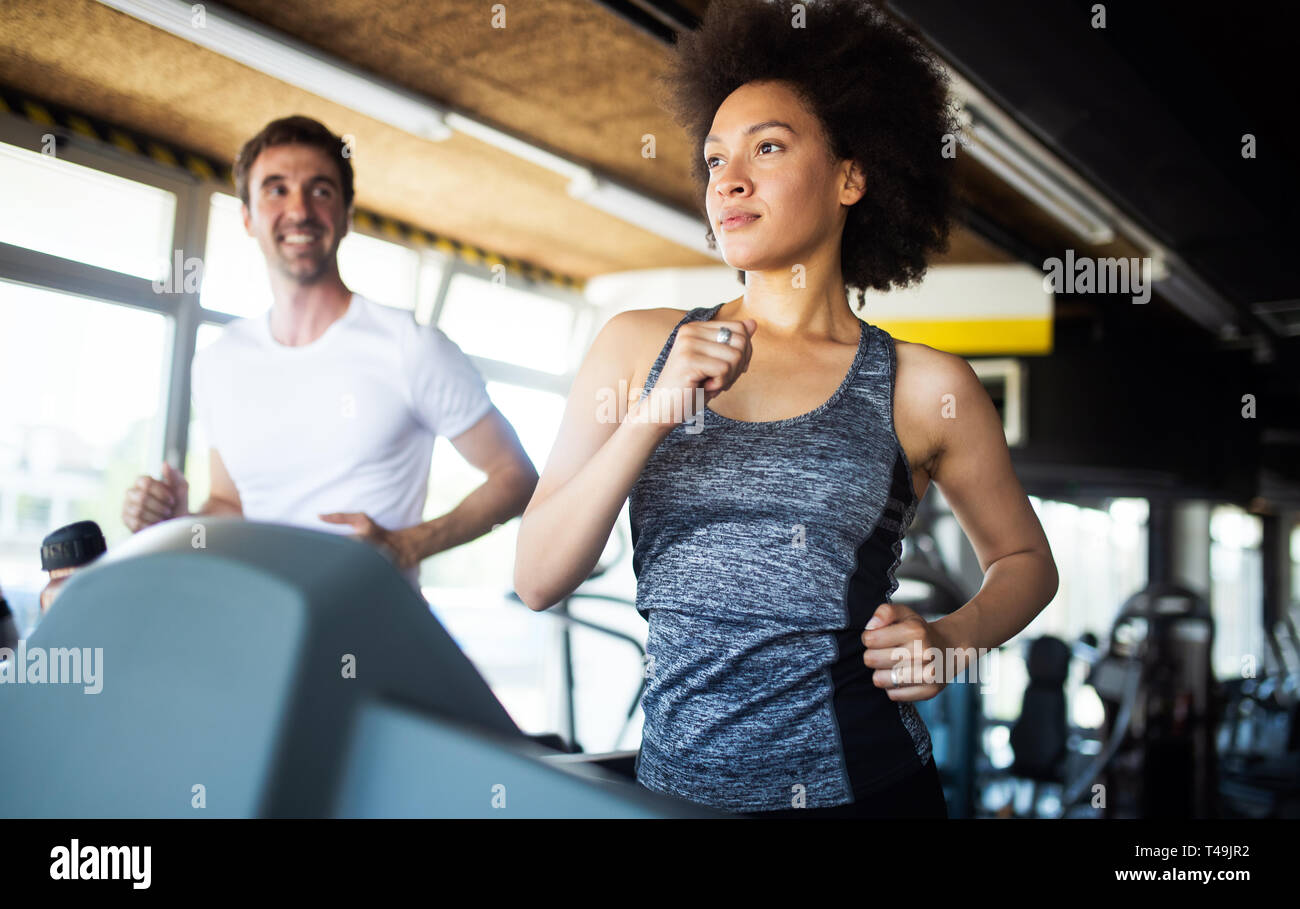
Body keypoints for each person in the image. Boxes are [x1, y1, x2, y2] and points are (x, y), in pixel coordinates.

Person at [513, 0, 1058, 817]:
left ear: (850, 175)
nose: (728, 179)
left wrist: (952, 640)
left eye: (768, 148)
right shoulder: (637, 348)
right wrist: (654, 412)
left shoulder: (923, 384)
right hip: (678, 796)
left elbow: (1026, 563)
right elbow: (537, 577)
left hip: (869, 792)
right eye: (715, 158)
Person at [122, 116, 538, 590]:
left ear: (346, 214)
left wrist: (407, 545)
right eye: (276, 190)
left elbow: (516, 477)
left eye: (320, 191)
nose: (299, 210)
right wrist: (181, 521)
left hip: (372, 634)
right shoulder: (220, 361)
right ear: (247, 217)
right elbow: (230, 505)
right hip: (264, 623)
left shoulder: (409, 345)